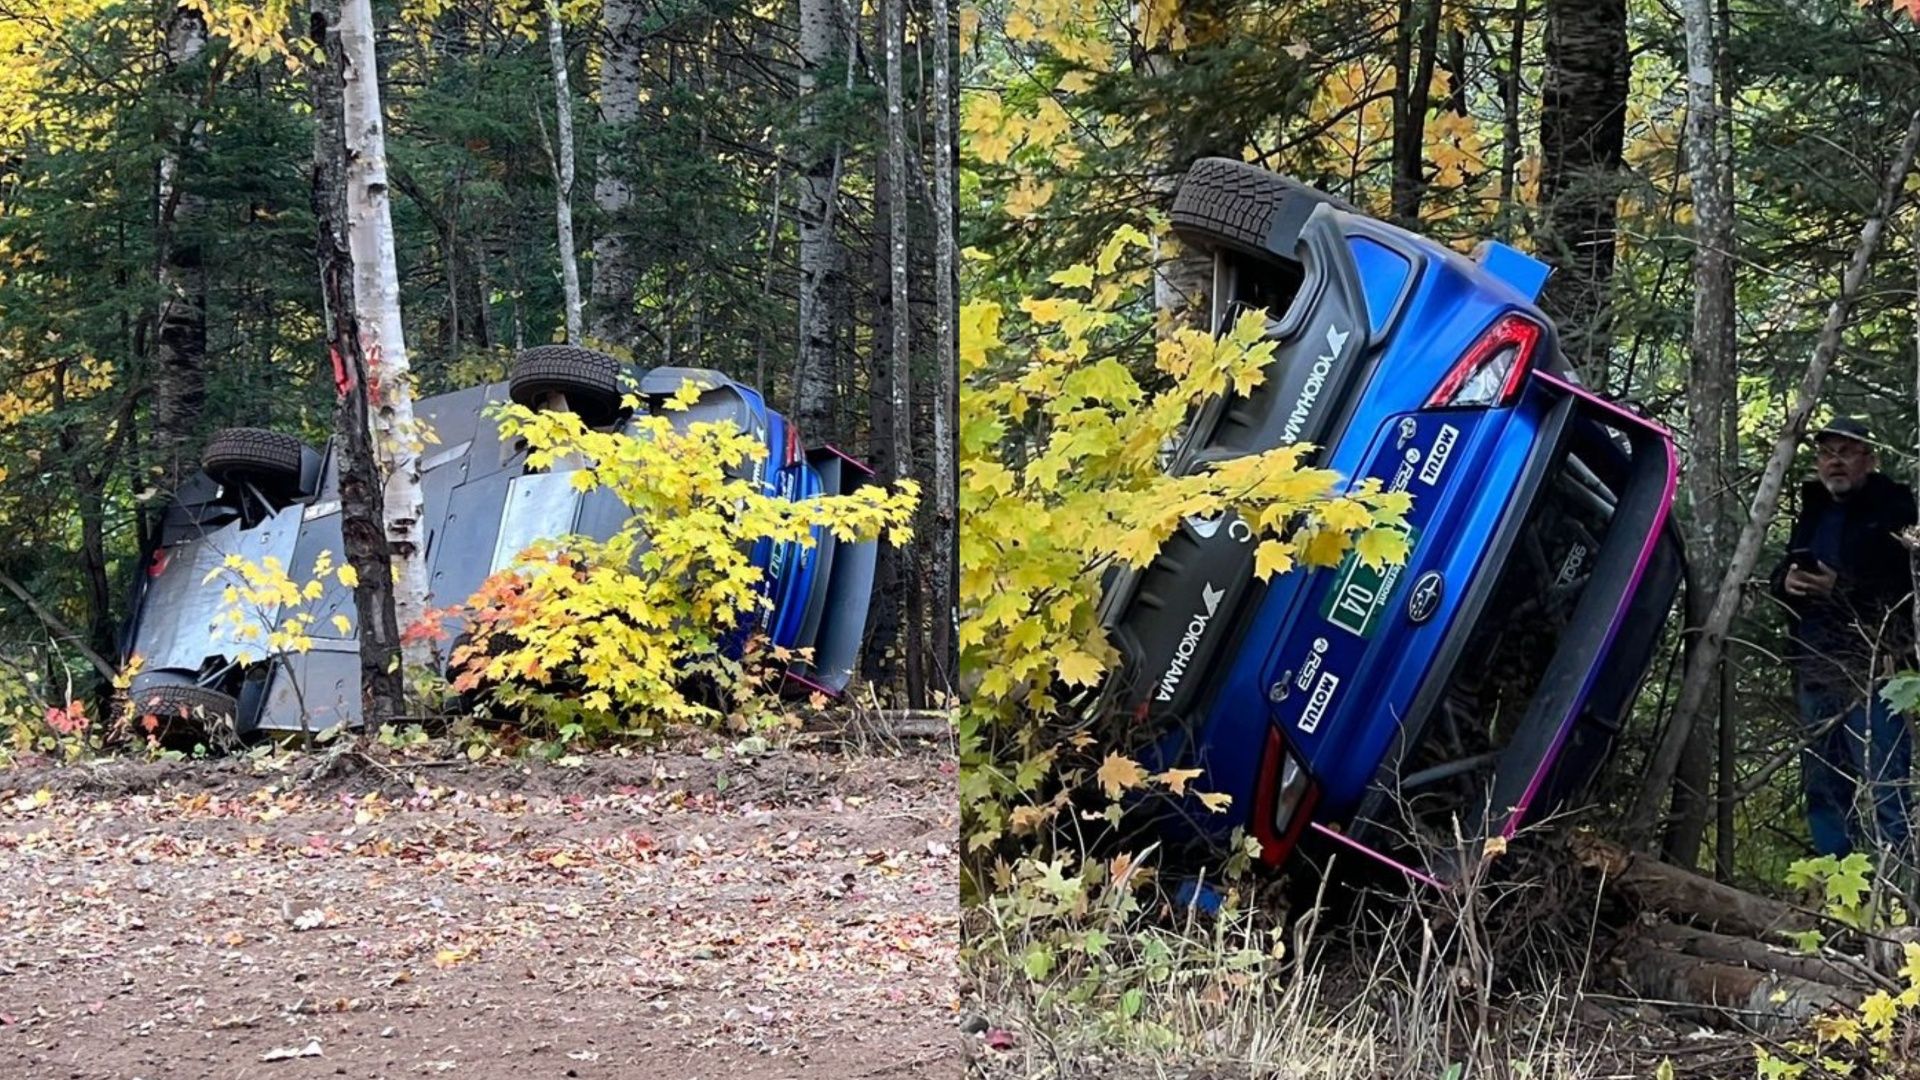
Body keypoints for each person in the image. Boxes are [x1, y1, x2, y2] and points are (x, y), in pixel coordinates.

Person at [1769, 416, 1918, 862]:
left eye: (1846, 452)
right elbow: (1788, 567)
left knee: (1886, 784)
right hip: (1816, 665)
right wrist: (1785, 582)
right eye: (1826, 453)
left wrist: (1843, 586)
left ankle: (1901, 887)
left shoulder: (1896, 510)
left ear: (1868, 459)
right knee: (1824, 786)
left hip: (1875, 669)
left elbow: (1904, 588)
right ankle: (1839, 889)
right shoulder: (1813, 508)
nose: (1834, 462)